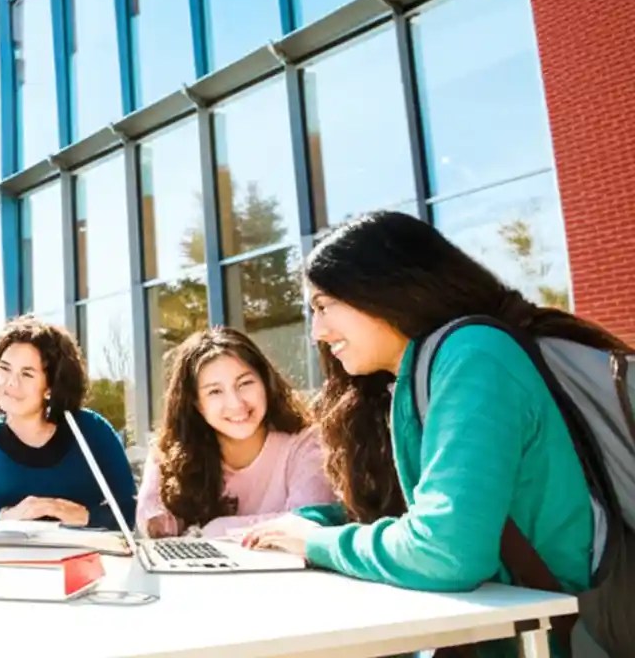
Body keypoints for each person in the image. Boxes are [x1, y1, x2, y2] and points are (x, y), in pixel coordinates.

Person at [242, 211, 616, 654]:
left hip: (551, 642)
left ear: (382, 289)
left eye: (323, 306)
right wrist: (311, 523)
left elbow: (446, 552)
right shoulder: (415, 377)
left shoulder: (473, 355)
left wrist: (315, 543)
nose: (317, 333)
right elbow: (416, 511)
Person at [0, 315, 137, 532]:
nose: (11, 383)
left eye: (27, 374)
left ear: (51, 387)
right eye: (4, 368)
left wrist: (85, 516)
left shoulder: (92, 430)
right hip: (2, 557)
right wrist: (4, 517)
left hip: (85, 558)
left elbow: (131, 509)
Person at [136, 327, 334, 539]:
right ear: (197, 404)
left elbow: (308, 524)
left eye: (245, 383)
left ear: (266, 382)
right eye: (215, 391)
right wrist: (159, 471)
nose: (236, 403)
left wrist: (216, 529)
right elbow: (157, 528)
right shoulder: (176, 452)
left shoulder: (306, 444)